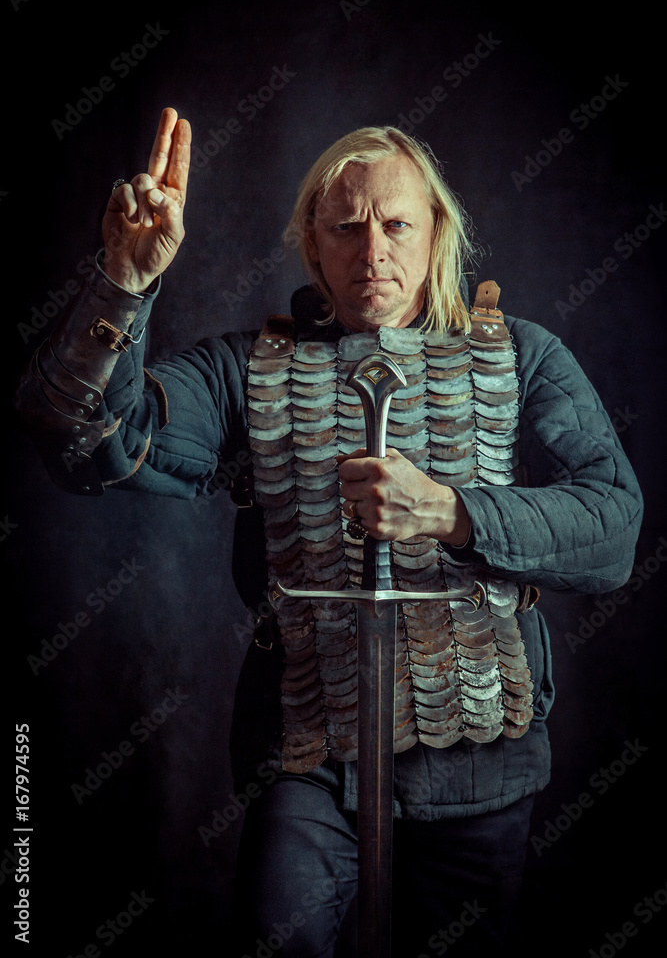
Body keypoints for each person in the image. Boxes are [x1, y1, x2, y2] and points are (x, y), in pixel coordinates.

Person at [15, 108, 642, 956]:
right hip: (308, 752)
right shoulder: (245, 371)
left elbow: (612, 526)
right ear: (312, 241)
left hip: (479, 759)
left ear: (436, 235)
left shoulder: (525, 356)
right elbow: (87, 443)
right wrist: (122, 283)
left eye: (395, 225)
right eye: (345, 225)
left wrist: (455, 513)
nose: (371, 249)